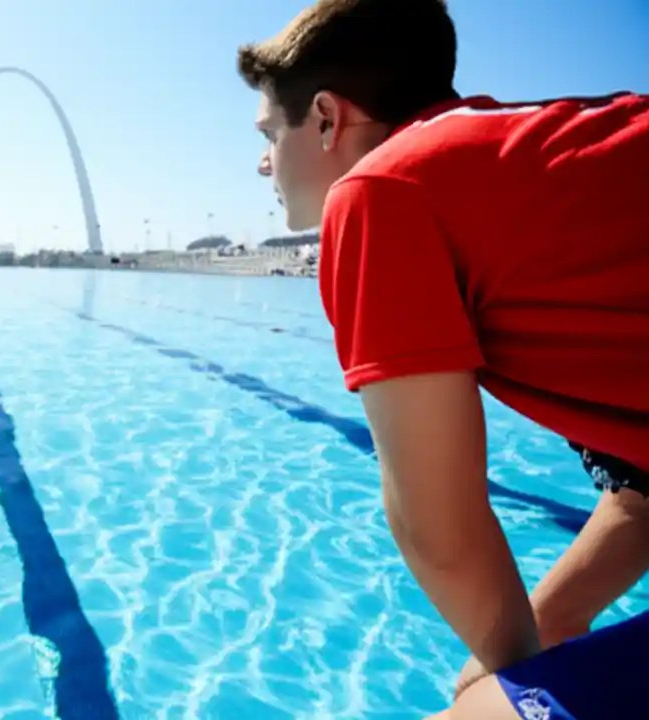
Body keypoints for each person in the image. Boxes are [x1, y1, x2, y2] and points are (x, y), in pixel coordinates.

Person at [235, 1, 649, 717]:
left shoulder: (379, 192)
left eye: (272, 131)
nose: (263, 160)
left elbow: (439, 530)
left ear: (328, 119)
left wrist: (519, 685)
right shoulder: (536, 168)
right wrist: (545, 633)